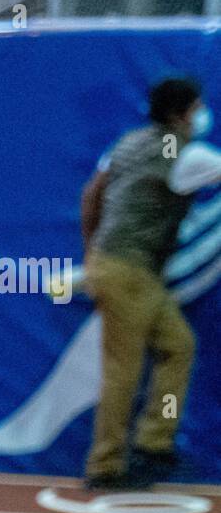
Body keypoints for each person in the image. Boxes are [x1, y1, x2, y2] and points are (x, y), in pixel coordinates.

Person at [80, 76, 221, 488]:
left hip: (122, 266)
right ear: (180, 115)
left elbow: (92, 195)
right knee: (123, 370)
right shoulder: (189, 156)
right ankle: (105, 467)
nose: (201, 116)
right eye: (196, 109)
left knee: (179, 346)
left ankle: (153, 444)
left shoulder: (126, 144)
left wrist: (92, 255)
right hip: (129, 268)